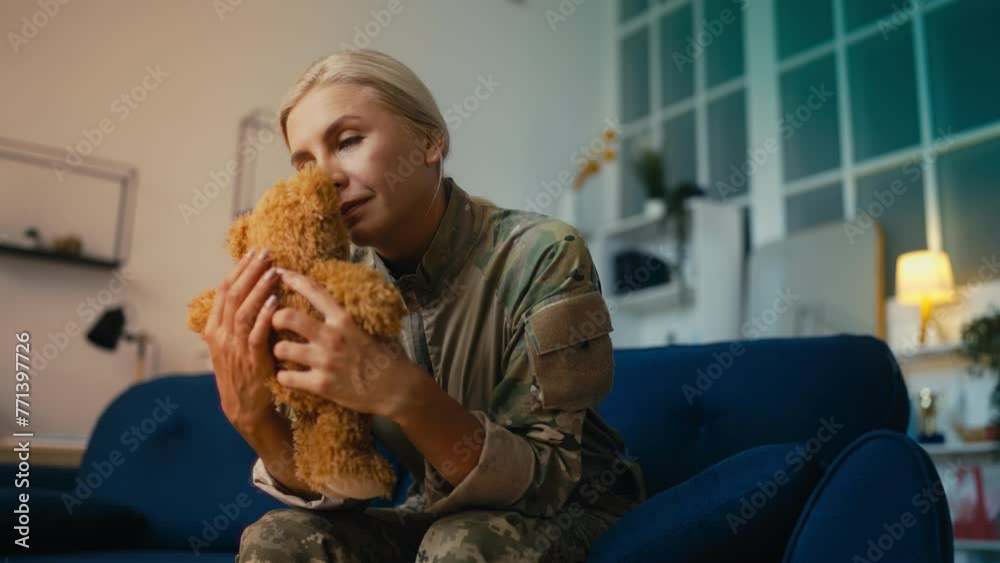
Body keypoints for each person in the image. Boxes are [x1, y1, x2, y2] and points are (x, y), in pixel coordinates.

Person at [201, 49, 644, 563]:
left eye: (347, 142)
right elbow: (342, 483)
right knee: (278, 537)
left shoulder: (541, 252)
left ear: (431, 141)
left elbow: (546, 481)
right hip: (438, 511)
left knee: (460, 543)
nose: (324, 179)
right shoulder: (328, 285)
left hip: (573, 510)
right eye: (304, 163)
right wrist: (252, 417)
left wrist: (400, 391)